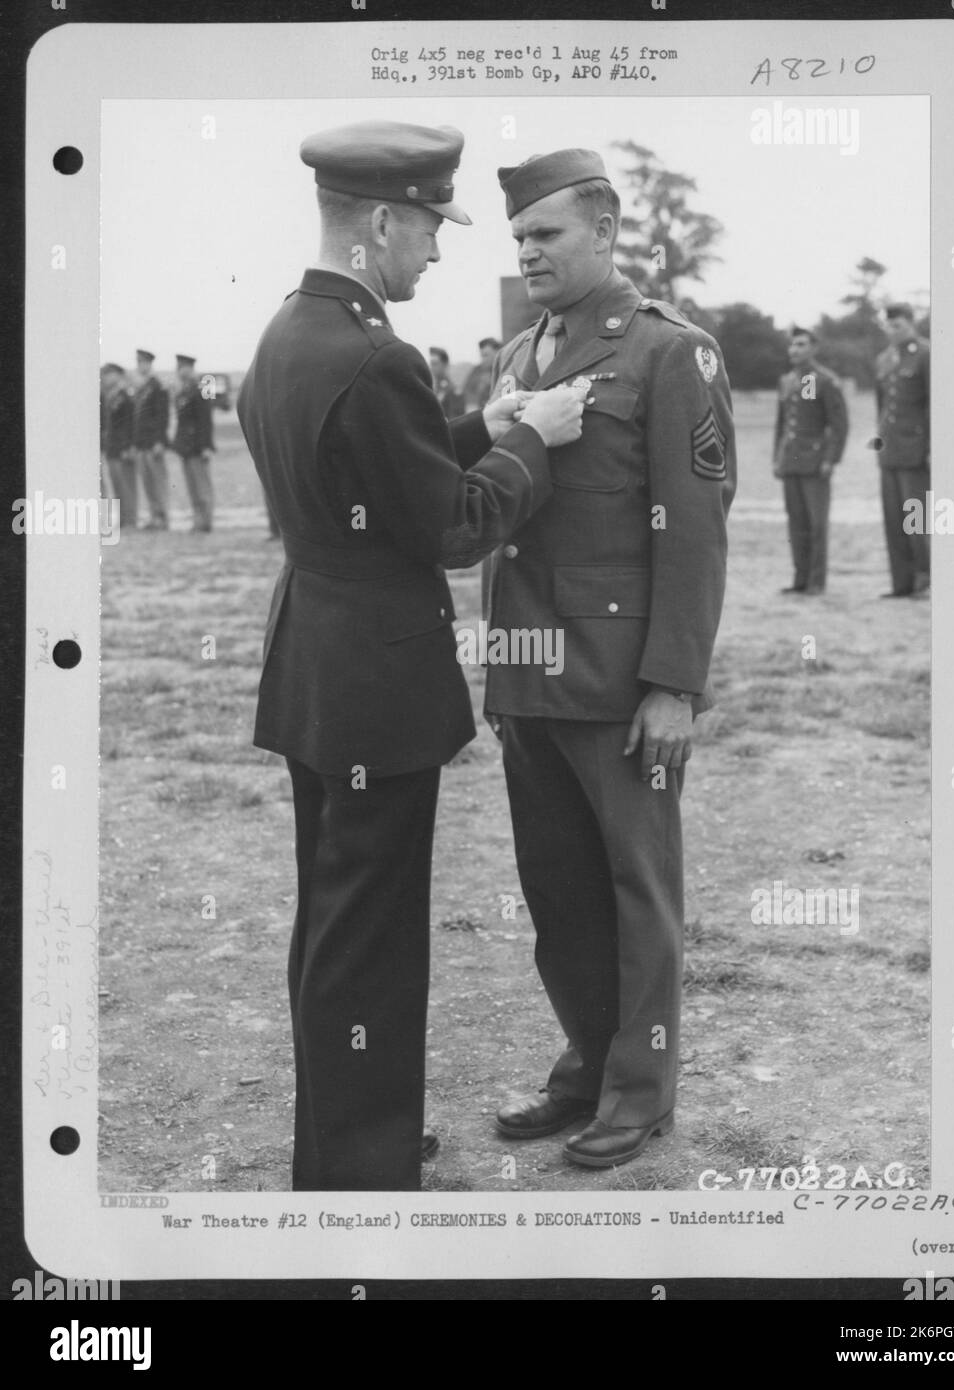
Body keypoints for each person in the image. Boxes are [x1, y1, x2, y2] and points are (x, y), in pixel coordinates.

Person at [236, 120, 583, 1193]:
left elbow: (384, 470)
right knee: (370, 934)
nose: (434, 251)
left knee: (334, 919)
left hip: (314, 669)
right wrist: (536, 440)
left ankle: (343, 1128)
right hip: (376, 688)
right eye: (428, 227)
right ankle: (358, 1161)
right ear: (380, 221)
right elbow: (448, 527)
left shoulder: (290, 332)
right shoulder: (375, 352)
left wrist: (487, 419)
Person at [484, 149, 736, 1168]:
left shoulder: (670, 354)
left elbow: (696, 532)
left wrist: (674, 683)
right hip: (528, 674)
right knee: (559, 895)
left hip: (620, 685)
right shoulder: (517, 354)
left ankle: (640, 1092)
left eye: (544, 234)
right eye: (518, 238)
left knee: (636, 894)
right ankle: (587, 1066)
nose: (527, 251)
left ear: (604, 232)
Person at [772, 327, 849, 595]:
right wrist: (777, 459)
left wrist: (831, 459)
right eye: (792, 345)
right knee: (796, 524)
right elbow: (781, 425)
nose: (795, 349)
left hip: (815, 462)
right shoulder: (787, 380)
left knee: (816, 524)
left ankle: (816, 582)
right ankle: (800, 579)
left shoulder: (824, 380)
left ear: (814, 348)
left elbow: (839, 425)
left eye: (802, 344)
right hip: (791, 461)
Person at [874, 303, 930, 597]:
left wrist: (932, 449)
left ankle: (924, 580)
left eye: (899, 325)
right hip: (890, 451)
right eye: (890, 325)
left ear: (911, 322)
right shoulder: (884, 359)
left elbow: (934, 404)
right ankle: (901, 583)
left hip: (916, 450)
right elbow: (881, 407)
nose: (893, 331)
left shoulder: (925, 354)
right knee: (894, 521)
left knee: (916, 519)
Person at [171, 354, 216, 532]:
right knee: (192, 488)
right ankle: (198, 520)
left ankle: (206, 521)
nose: (182, 371)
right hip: (186, 447)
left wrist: (206, 446)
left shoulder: (202, 388)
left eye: (185, 367)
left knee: (202, 487)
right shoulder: (183, 391)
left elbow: (206, 420)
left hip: (198, 447)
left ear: (191, 368)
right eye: (180, 367)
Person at [131, 349, 170, 530]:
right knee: (148, 483)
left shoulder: (157, 386)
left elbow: (162, 416)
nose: (140, 365)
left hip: (154, 443)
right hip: (142, 443)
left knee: (158, 482)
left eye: (142, 362)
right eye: (138, 362)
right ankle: (154, 516)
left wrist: (159, 441)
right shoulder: (142, 388)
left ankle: (162, 517)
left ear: (149, 363)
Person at [100, 362, 137, 528]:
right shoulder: (110, 396)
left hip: (123, 448)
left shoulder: (125, 397)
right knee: (117, 485)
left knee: (127, 486)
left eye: (109, 374)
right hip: (113, 448)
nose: (106, 378)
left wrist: (129, 446)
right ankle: (123, 519)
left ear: (117, 375)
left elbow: (131, 424)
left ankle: (130, 519)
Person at [462, 336, 502, 411]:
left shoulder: (506, 370)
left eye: (486, 355)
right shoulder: (476, 371)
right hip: (481, 412)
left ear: (498, 353)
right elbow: (467, 392)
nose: (483, 359)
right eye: (482, 355)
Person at [428, 346, 464, 419]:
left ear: (445, 365)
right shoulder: (432, 388)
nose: (432, 367)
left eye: (435, 364)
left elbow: (455, 419)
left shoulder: (452, 389)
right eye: (431, 364)